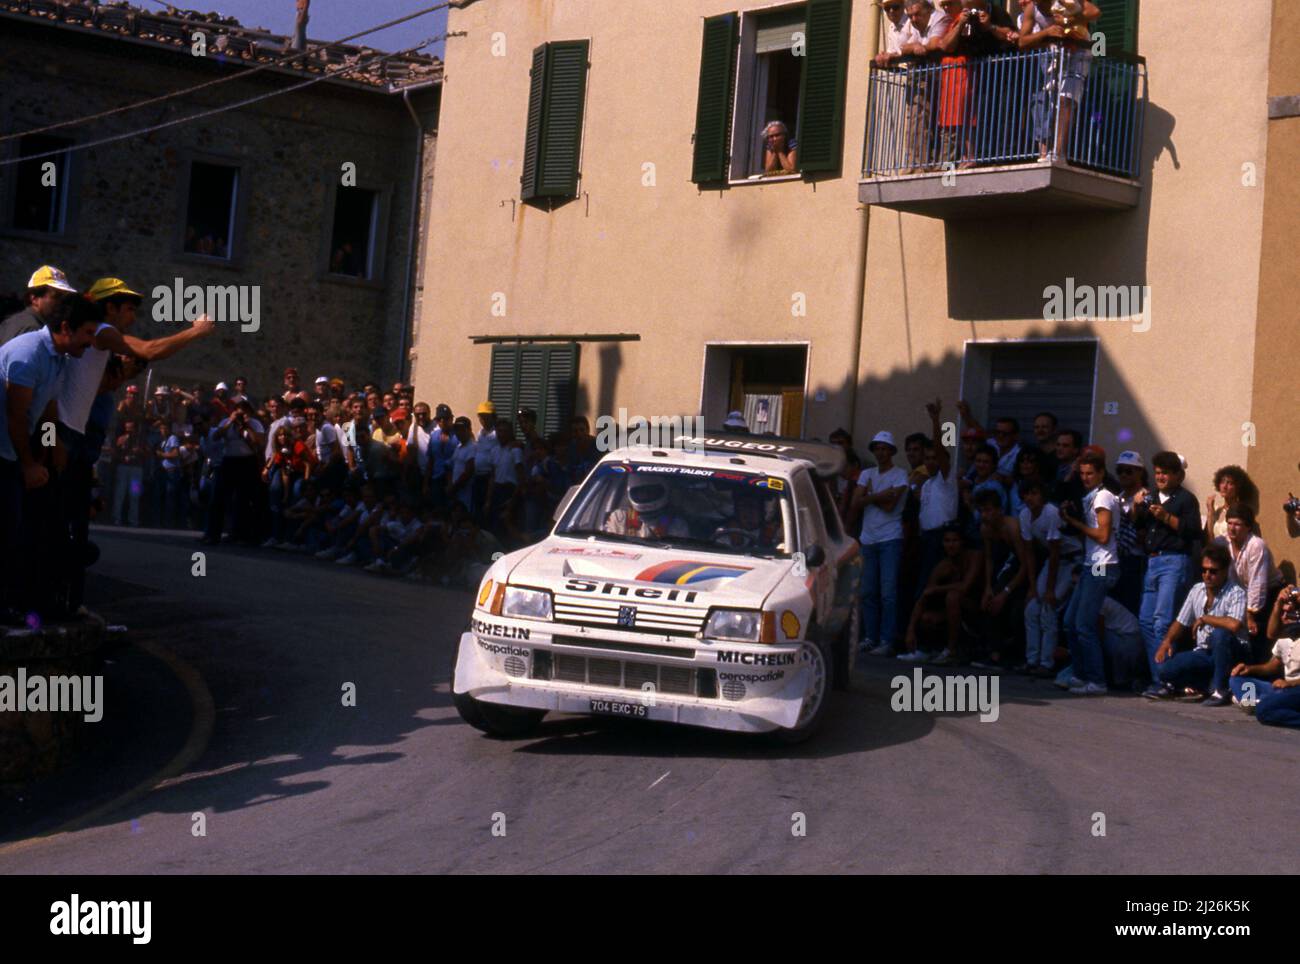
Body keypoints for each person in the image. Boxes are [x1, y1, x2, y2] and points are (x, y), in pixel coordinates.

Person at [0, 304, 98, 620]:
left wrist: (51, 444)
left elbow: (47, 409)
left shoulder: (57, 358)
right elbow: (15, 415)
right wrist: (28, 465)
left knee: (15, 527)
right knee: (7, 527)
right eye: (88, 333)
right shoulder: (29, 353)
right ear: (67, 328)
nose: (91, 342)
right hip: (4, 450)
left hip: (11, 452)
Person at [1133, 451, 1201, 695]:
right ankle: (1159, 677)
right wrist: (1135, 504)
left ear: (1178, 476)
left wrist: (1166, 517)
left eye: (1166, 473)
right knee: (1145, 621)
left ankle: (1167, 681)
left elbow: (1193, 531)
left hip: (1174, 561)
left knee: (1163, 622)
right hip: (1152, 562)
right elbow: (1137, 524)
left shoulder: (1185, 499)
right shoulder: (1151, 496)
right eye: (1158, 472)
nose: (1160, 477)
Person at [1147, 544, 1249, 706]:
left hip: (1232, 652)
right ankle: (1202, 685)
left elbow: (1234, 624)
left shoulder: (1236, 592)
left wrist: (1205, 619)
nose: (1207, 575)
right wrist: (1167, 641)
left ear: (1224, 572)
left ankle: (1219, 690)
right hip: (1204, 653)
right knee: (1165, 670)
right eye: (1204, 570)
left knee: (1220, 634)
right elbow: (1181, 622)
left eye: (1213, 571)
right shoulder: (1197, 590)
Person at [1059, 449, 1118, 694]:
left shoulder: (1103, 497)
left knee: (1084, 624)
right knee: (1070, 621)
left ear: (1101, 473)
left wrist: (1075, 523)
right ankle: (1080, 675)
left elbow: (1103, 536)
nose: (1085, 477)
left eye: (1090, 473)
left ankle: (1097, 680)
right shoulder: (1090, 496)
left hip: (1103, 565)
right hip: (1090, 563)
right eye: (1082, 473)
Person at [853, 430, 910, 657]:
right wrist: (880, 495)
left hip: (890, 538)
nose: (881, 452)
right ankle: (871, 637)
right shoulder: (867, 473)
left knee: (888, 592)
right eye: (877, 448)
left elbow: (890, 506)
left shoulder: (900, 475)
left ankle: (886, 639)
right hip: (869, 538)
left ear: (892, 452)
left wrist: (870, 496)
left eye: (885, 448)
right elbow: (857, 503)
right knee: (868, 591)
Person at [1020, 477, 1081, 675]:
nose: (1030, 498)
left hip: (1072, 559)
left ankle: (1046, 663)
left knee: (1048, 607)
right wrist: (1032, 586)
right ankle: (1032, 660)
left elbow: (1056, 551)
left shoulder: (1051, 512)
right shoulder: (1024, 516)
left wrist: (1049, 589)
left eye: (1034, 493)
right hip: (1053, 562)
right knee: (1031, 609)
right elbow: (1029, 553)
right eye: (1027, 494)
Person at [901, 523, 982, 663]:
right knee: (928, 617)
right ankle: (930, 649)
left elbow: (964, 587)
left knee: (953, 596)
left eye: (955, 540)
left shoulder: (975, 557)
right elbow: (925, 596)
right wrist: (910, 629)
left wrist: (938, 589)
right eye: (947, 541)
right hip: (954, 613)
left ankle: (952, 651)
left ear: (962, 542)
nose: (951, 545)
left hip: (978, 609)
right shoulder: (942, 566)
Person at [973, 488, 1033, 669]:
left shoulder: (1012, 527)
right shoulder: (986, 529)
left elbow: (1026, 563)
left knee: (1017, 609)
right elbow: (989, 558)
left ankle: (1019, 655)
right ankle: (994, 653)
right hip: (1010, 567)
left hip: (1028, 567)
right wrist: (988, 588)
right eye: (982, 511)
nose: (985, 515)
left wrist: (1005, 592)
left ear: (999, 510)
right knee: (989, 602)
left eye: (989, 510)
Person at [1215, 504, 1283, 658]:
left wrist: (1250, 614)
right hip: (1243, 594)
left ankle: (1259, 673)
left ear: (1248, 527)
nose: (1232, 528)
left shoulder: (1256, 545)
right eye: (1230, 523)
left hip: (1269, 593)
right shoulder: (1222, 543)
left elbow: (1257, 583)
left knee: (1259, 634)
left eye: (1237, 524)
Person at [1229, 586, 1300, 728]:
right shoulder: (1284, 637)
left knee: (1264, 711)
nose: (1284, 617)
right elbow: (1271, 664)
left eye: (1289, 613)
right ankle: (1256, 702)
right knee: (1238, 680)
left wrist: (1291, 683)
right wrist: (1249, 669)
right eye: (1283, 613)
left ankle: (1262, 704)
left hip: (1295, 688)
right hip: (1283, 690)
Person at [202, 397, 265, 545]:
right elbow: (216, 436)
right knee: (218, 498)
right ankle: (212, 534)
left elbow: (259, 442)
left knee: (242, 499)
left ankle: (239, 535)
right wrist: (231, 421)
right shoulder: (226, 422)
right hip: (229, 460)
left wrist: (246, 426)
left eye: (244, 411)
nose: (241, 414)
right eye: (238, 411)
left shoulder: (254, 424)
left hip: (247, 462)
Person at [916, 399, 959, 593]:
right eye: (927, 459)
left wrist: (936, 420)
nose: (931, 462)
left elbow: (941, 449)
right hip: (925, 538)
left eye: (935, 458)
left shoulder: (946, 478)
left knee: (933, 587)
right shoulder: (926, 484)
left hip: (942, 538)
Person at [1111, 449, 1149, 615]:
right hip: (1112, 560)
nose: (1123, 475)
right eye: (1120, 471)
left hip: (1134, 561)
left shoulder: (1147, 498)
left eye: (1129, 471)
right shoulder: (1115, 499)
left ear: (1140, 472)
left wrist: (1136, 509)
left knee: (1128, 608)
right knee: (1108, 603)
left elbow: (1143, 534)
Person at [0, 265, 76, 347]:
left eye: (64, 297)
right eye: (56, 296)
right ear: (34, 298)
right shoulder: (33, 330)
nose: (61, 302)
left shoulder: (13, 320)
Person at [602, 472, 690, 539]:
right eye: (640, 493)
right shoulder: (619, 517)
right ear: (630, 493)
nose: (645, 496)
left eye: (650, 492)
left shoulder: (675, 523)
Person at [1204, 464, 1260, 542]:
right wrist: (1210, 511)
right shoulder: (1217, 510)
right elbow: (1209, 538)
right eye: (1222, 482)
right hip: (1217, 552)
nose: (1224, 486)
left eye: (1229, 483)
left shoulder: (1242, 512)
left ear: (1238, 487)